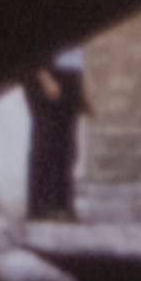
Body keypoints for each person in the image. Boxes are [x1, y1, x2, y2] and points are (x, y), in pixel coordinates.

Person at [20, 50, 91, 223]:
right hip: (49, 71)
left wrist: (82, 89)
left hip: (71, 75)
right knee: (46, 144)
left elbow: (77, 54)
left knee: (68, 148)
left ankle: (63, 207)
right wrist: (44, 77)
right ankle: (40, 208)